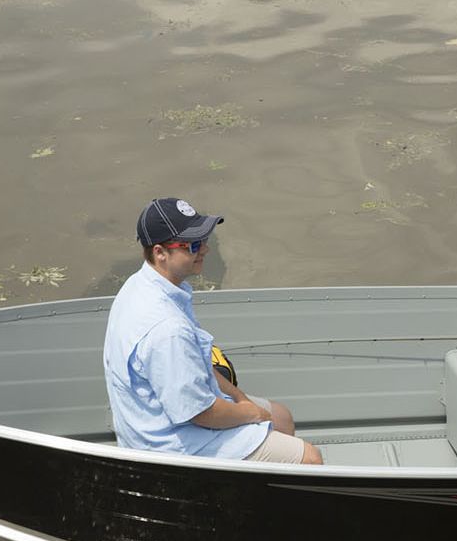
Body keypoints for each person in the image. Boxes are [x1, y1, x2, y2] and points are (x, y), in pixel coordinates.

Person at [104, 197, 323, 465]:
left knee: (282, 417)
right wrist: (252, 414)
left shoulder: (142, 284)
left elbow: (196, 362)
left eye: (204, 239)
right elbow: (200, 413)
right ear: (160, 252)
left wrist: (239, 397)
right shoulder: (167, 329)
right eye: (193, 245)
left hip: (173, 415)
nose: (205, 249)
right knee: (310, 458)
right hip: (171, 443)